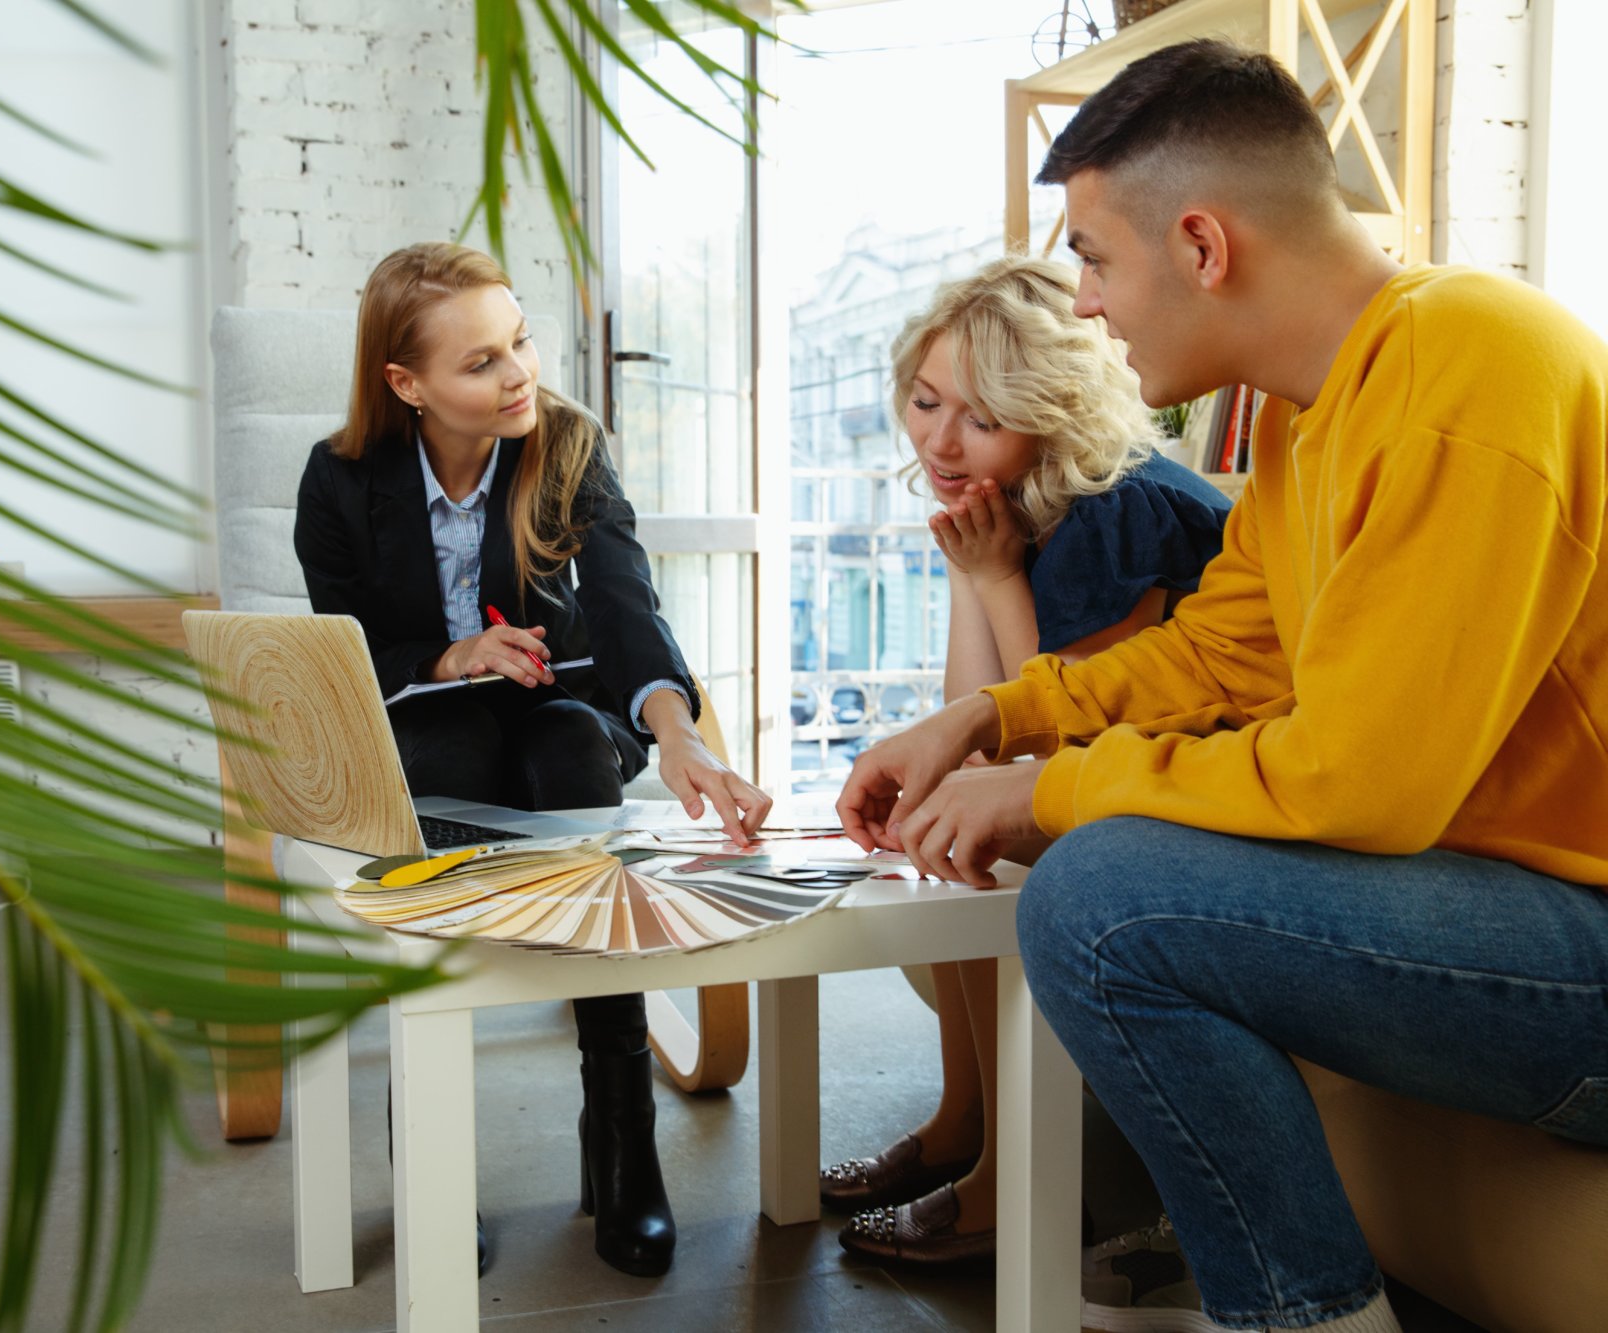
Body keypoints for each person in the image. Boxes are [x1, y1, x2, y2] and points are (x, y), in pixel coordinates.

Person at [837, 38, 1608, 1333]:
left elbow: (1363, 784)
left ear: (1203, 244)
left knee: (1100, 896)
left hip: (1581, 939)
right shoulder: (1313, 415)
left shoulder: (1472, 363)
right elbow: (1214, 655)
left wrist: (1054, 792)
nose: (1082, 304)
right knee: (1097, 870)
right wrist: (988, 719)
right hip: (1505, 917)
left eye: (1093, 256)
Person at [294, 241, 771, 1279]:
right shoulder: (338, 480)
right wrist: (445, 654)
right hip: (424, 724)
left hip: (560, 713)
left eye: (519, 341)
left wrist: (679, 735)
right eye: (480, 363)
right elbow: (345, 645)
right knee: (453, 746)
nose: (518, 374)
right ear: (405, 383)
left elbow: (622, 599)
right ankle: (428, 1155)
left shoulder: (564, 443)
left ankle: (622, 1136)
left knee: (566, 755)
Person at [819, 256, 1231, 1268]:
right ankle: (963, 1122)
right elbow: (978, 718)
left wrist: (995, 574)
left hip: (1195, 796)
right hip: (1115, 779)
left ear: (1049, 413)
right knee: (947, 815)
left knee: (980, 835)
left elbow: (1058, 738)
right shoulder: (1017, 498)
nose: (938, 439)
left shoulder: (1119, 510)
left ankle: (1008, 1183)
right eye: (923, 402)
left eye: (980, 418)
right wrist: (974, 570)